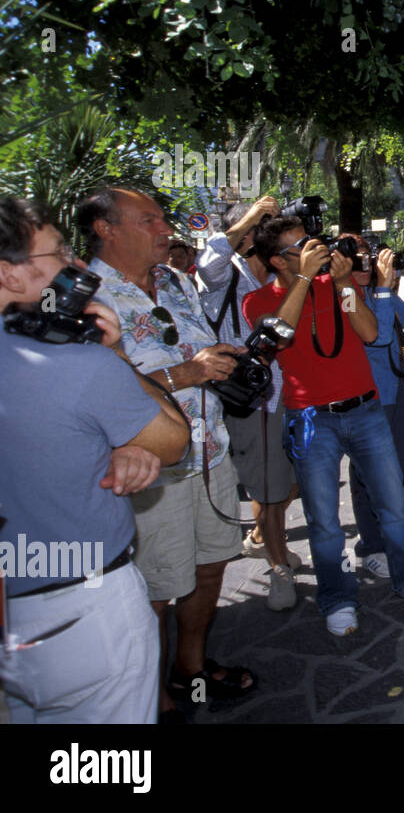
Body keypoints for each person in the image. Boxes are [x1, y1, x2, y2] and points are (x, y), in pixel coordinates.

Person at [0, 197, 190, 723]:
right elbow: (172, 441)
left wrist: (110, 440)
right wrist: (114, 354)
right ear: (10, 274)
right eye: (59, 253)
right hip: (82, 614)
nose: (76, 264)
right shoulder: (76, 361)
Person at [74, 184, 257, 719]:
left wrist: (223, 358)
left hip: (211, 455)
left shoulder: (176, 280)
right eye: (149, 220)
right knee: (153, 589)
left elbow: (194, 349)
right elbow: (90, 393)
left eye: (162, 219)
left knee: (210, 567)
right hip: (148, 473)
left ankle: (190, 670)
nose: (166, 230)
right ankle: (152, 698)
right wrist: (187, 373)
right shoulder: (85, 298)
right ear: (106, 229)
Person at [244, 217, 404, 637]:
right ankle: (338, 597)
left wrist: (345, 284)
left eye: (312, 242)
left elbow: (369, 332)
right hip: (310, 418)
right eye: (301, 246)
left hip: (365, 409)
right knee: (325, 522)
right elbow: (278, 337)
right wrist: (304, 279)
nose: (314, 249)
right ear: (277, 260)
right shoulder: (258, 300)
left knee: (394, 506)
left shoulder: (335, 287)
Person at [196, 195, 302, 611]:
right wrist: (252, 214)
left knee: (290, 483)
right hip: (253, 401)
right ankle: (279, 567)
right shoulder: (225, 275)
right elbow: (208, 262)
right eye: (263, 223)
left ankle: (261, 538)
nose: (270, 227)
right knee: (268, 489)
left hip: (293, 393)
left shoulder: (282, 272)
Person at [339, 234, 404, 581]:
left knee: (399, 467)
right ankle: (371, 544)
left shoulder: (377, 290)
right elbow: (379, 335)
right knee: (368, 474)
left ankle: (390, 530)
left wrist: (388, 287)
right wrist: (382, 292)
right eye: (357, 259)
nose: (366, 264)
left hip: (398, 387)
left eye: (367, 258)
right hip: (369, 394)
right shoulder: (344, 296)